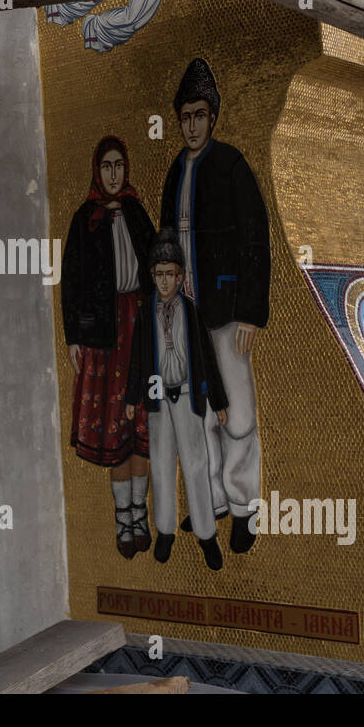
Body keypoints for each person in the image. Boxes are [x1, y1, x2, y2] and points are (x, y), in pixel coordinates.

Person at [159, 58, 271, 554]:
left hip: (226, 312)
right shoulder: (172, 174)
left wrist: (250, 310)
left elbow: (255, 239)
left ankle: (246, 507)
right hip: (185, 317)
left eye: (200, 114)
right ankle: (212, 502)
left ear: (213, 116)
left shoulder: (231, 166)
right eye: (184, 115)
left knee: (238, 413)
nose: (192, 124)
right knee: (197, 413)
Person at [61, 136, 157, 559]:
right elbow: (72, 281)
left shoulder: (137, 213)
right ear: (96, 171)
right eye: (107, 167)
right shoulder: (85, 219)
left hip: (139, 325)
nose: (114, 174)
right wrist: (74, 336)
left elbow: (158, 267)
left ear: (127, 169)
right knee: (115, 428)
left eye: (119, 165)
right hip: (103, 335)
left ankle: (140, 512)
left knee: (143, 431)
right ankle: (122, 520)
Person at [124, 230, 229, 570]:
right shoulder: (145, 314)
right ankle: (165, 530)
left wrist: (219, 399)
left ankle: (206, 534)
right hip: (157, 396)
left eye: (170, 274)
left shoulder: (191, 311)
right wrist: (131, 396)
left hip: (185, 394)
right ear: (152, 276)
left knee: (196, 463)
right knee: (162, 463)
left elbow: (207, 358)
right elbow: (137, 357)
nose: (165, 281)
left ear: (181, 276)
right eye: (159, 274)